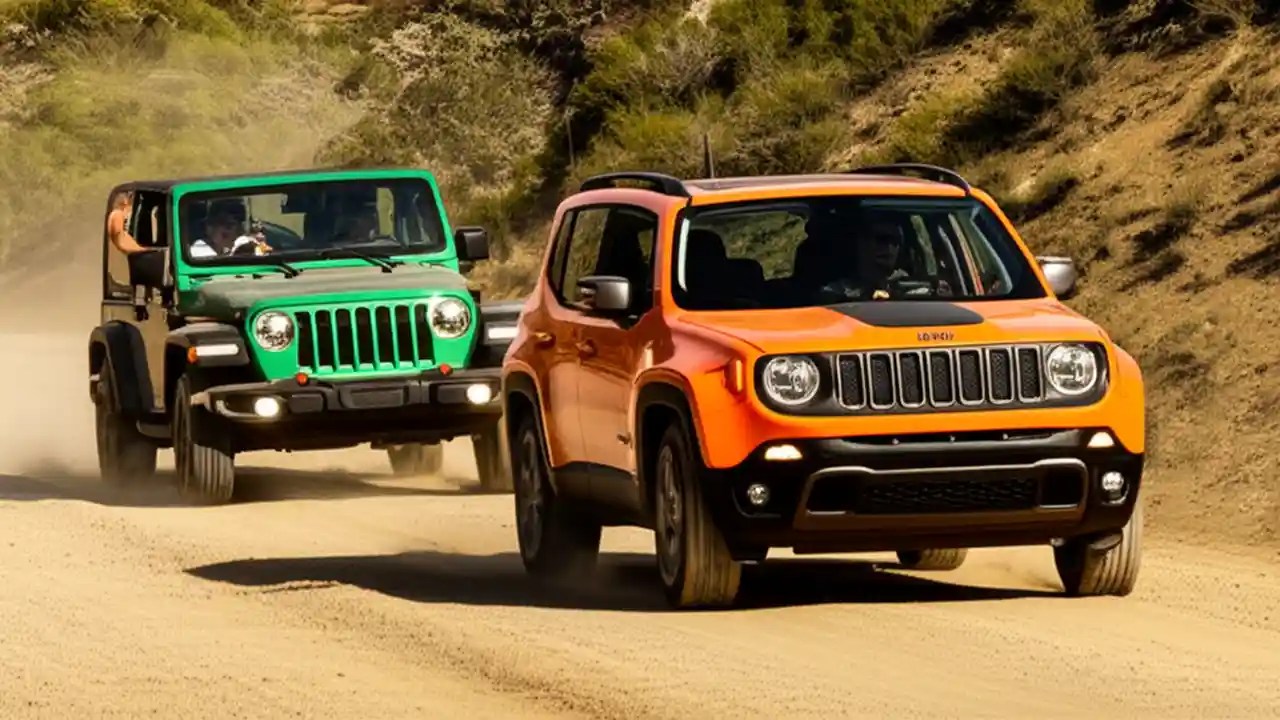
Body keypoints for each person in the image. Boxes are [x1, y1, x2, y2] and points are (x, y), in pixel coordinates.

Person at [190, 200, 271, 258]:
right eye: (228, 226)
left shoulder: (223, 249)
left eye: (239, 226)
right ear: (209, 227)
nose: (234, 233)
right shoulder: (199, 251)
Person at [106, 190, 147, 256]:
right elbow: (121, 240)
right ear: (126, 203)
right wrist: (140, 251)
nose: (128, 215)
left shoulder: (115, 215)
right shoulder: (118, 215)